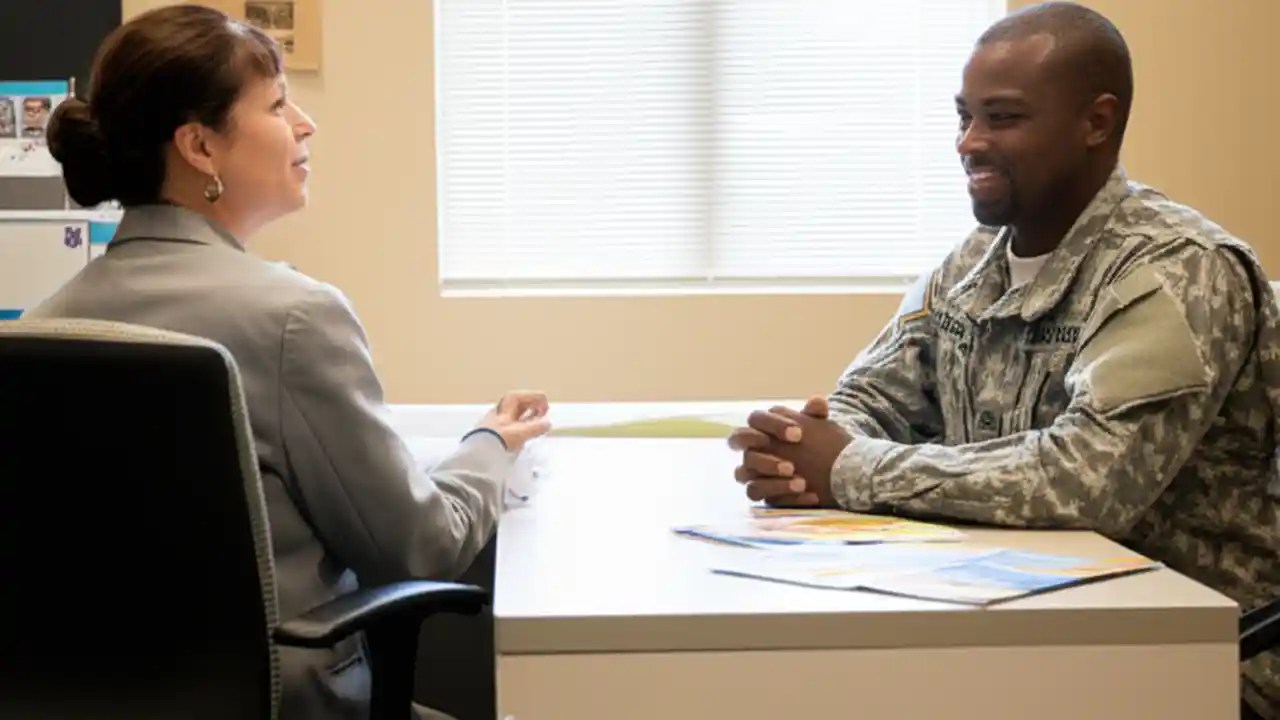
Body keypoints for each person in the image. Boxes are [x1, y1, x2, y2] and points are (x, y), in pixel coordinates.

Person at [728, 2, 1278, 716]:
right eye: (964, 117)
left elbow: (1085, 482)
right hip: (1017, 621)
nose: (969, 142)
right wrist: (799, 451)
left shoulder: (1177, 271)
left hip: (1193, 660)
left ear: (1097, 123)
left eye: (1004, 118)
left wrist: (847, 469)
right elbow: (871, 399)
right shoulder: (972, 262)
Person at [25, 6, 549, 719]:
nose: (306, 123)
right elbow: (423, 547)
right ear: (199, 146)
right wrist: (492, 445)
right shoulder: (296, 319)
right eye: (276, 104)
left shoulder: (44, 327)